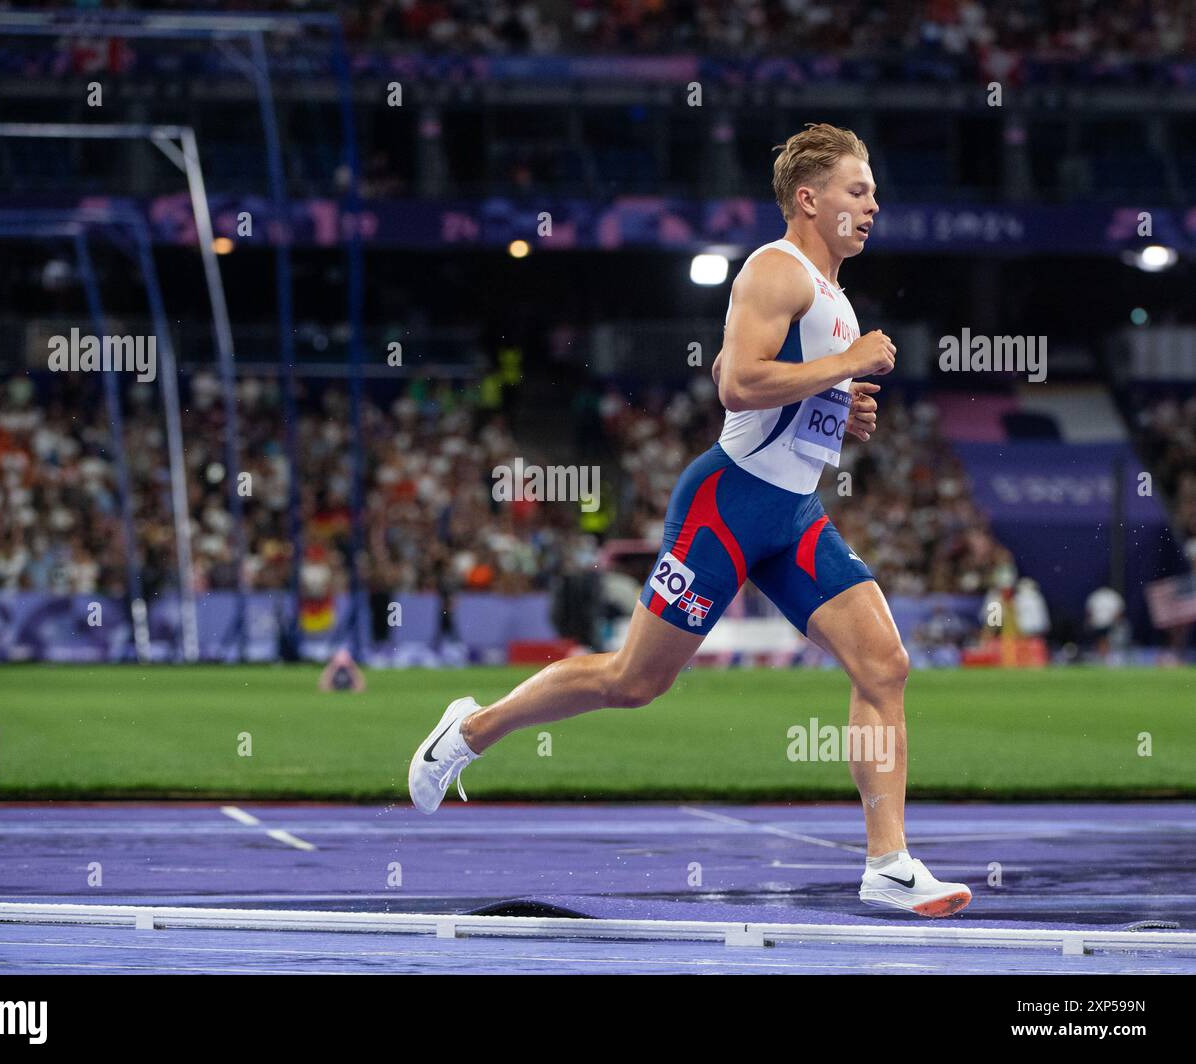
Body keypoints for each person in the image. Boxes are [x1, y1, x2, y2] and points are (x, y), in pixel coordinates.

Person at [409, 124, 971, 918]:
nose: (873, 203)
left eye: (873, 190)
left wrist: (833, 414)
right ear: (808, 199)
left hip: (791, 513)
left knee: (884, 664)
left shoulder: (835, 296)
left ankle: (888, 861)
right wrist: (846, 367)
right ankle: (471, 731)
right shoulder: (776, 269)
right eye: (858, 189)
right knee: (633, 681)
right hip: (727, 505)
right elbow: (737, 385)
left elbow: (742, 375)